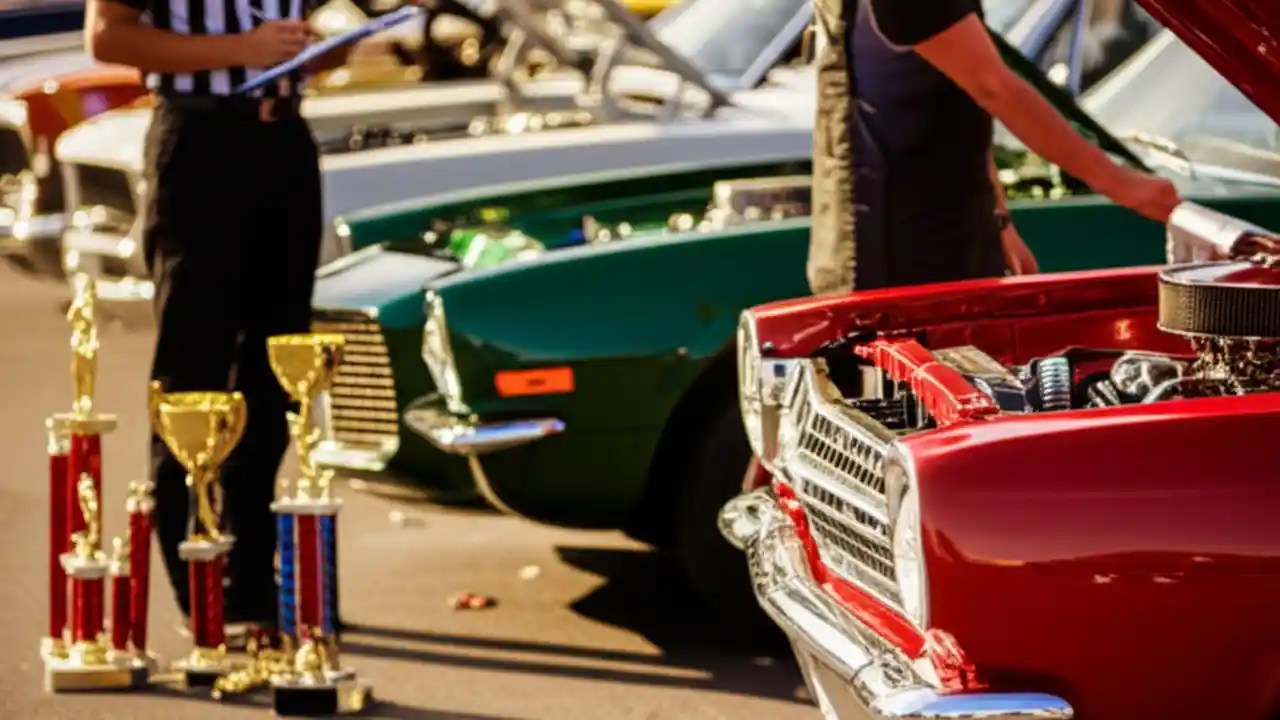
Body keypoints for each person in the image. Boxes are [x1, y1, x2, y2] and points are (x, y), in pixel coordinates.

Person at [85, 0, 349, 635]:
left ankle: (255, 585)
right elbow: (106, 36)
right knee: (193, 370)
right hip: (201, 143)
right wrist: (241, 49)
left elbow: (300, 31)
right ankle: (199, 587)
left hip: (284, 142)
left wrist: (318, 47)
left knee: (275, 367)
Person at [806, 0, 1182, 295]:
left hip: (935, 232)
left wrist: (997, 217)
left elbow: (962, 93)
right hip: (895, 254)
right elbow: (992, 86)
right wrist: (1127, 187)